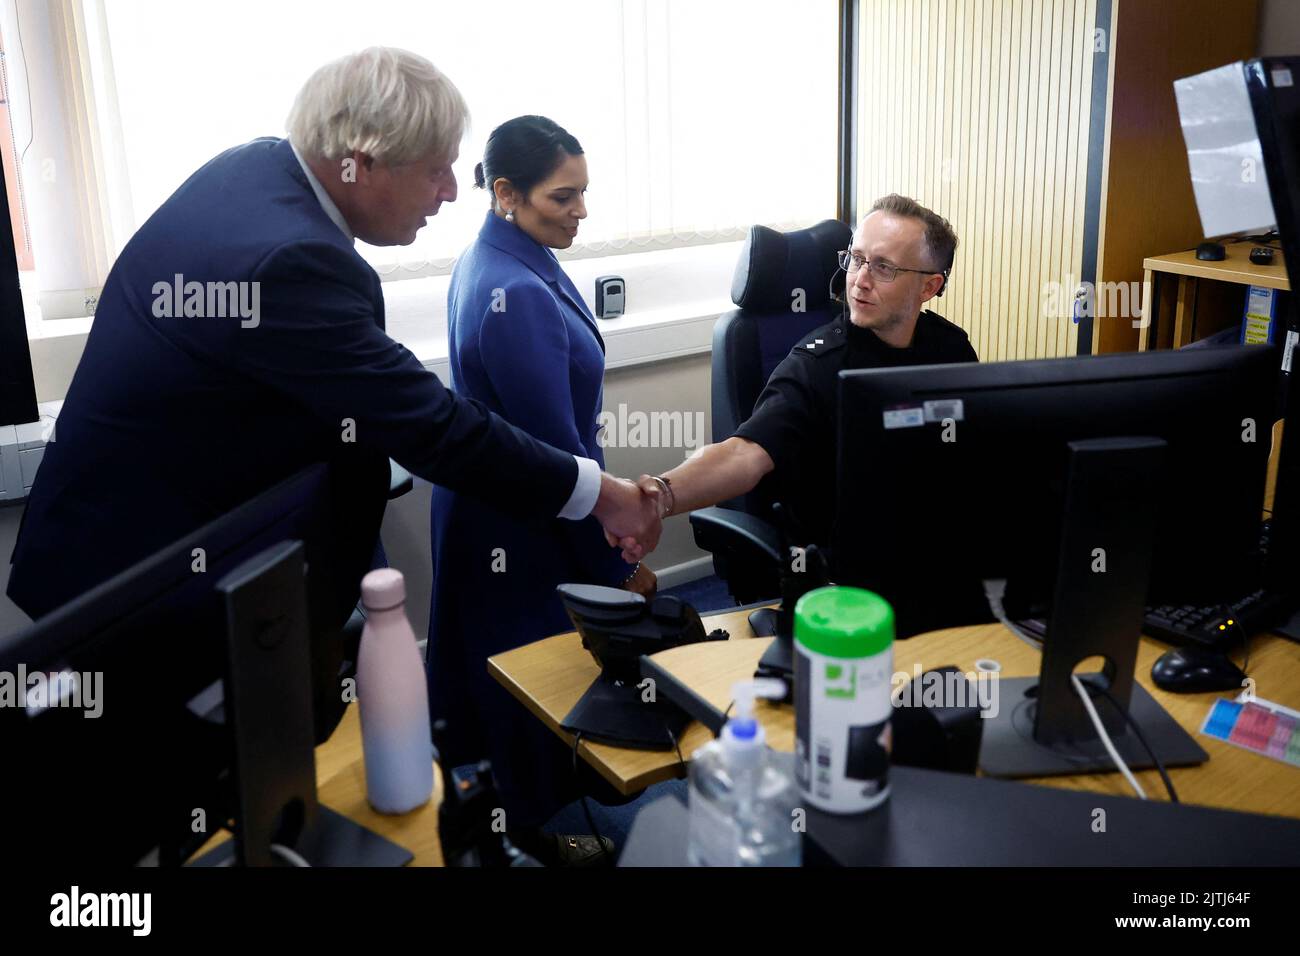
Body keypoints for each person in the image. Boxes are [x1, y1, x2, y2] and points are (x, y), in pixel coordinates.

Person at [6, 48, 662, 623]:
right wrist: (602, 494)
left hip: (137, 543)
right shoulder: (291, 263)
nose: (446, 193)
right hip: (146, 583)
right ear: (361, 162)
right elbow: (427, 424)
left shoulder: (255, 169)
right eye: (434, 171)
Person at [426, 116, 653, 867]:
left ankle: (526, 821)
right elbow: (558, 464)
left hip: (496, 509)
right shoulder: (514, 292)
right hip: (521, 528)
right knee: (535, 682)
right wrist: (621, 567)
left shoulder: (499, 256)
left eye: (584, 192)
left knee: (503, 685)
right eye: (564, 196)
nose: (581, 211)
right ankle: (544, 832)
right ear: (505, 193)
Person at [632, 194, 979, 548]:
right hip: (842, 562)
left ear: (929, 286)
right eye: (856, 259)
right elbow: (743, 453)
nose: (860, 279)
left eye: (883, 267)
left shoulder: (950, 349)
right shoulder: (817, 365)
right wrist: (658, 495)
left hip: (930, 540)